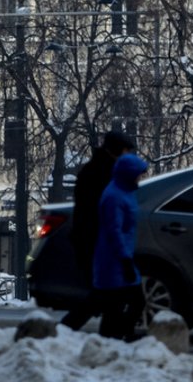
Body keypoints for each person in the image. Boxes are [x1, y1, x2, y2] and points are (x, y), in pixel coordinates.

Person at [60, 130, 136, 331]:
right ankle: (65, 332)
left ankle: (105, 342)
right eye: (128, 151)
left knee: (106, 297)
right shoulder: (107, 174)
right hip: (97, 244)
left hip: (91, 241)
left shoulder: (94, 170)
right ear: (118, 151)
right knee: (106, 297)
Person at [92, 151, 150, 342]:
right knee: (119, 305)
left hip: (120, 257)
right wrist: (125, 260)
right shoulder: (114, 197)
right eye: (137, 175)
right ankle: (114, 339)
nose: (139, 179)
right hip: (114, 260)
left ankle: (116, 337)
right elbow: (114, 231)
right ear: (128, 175)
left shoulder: (123, 192)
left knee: (120, 305)